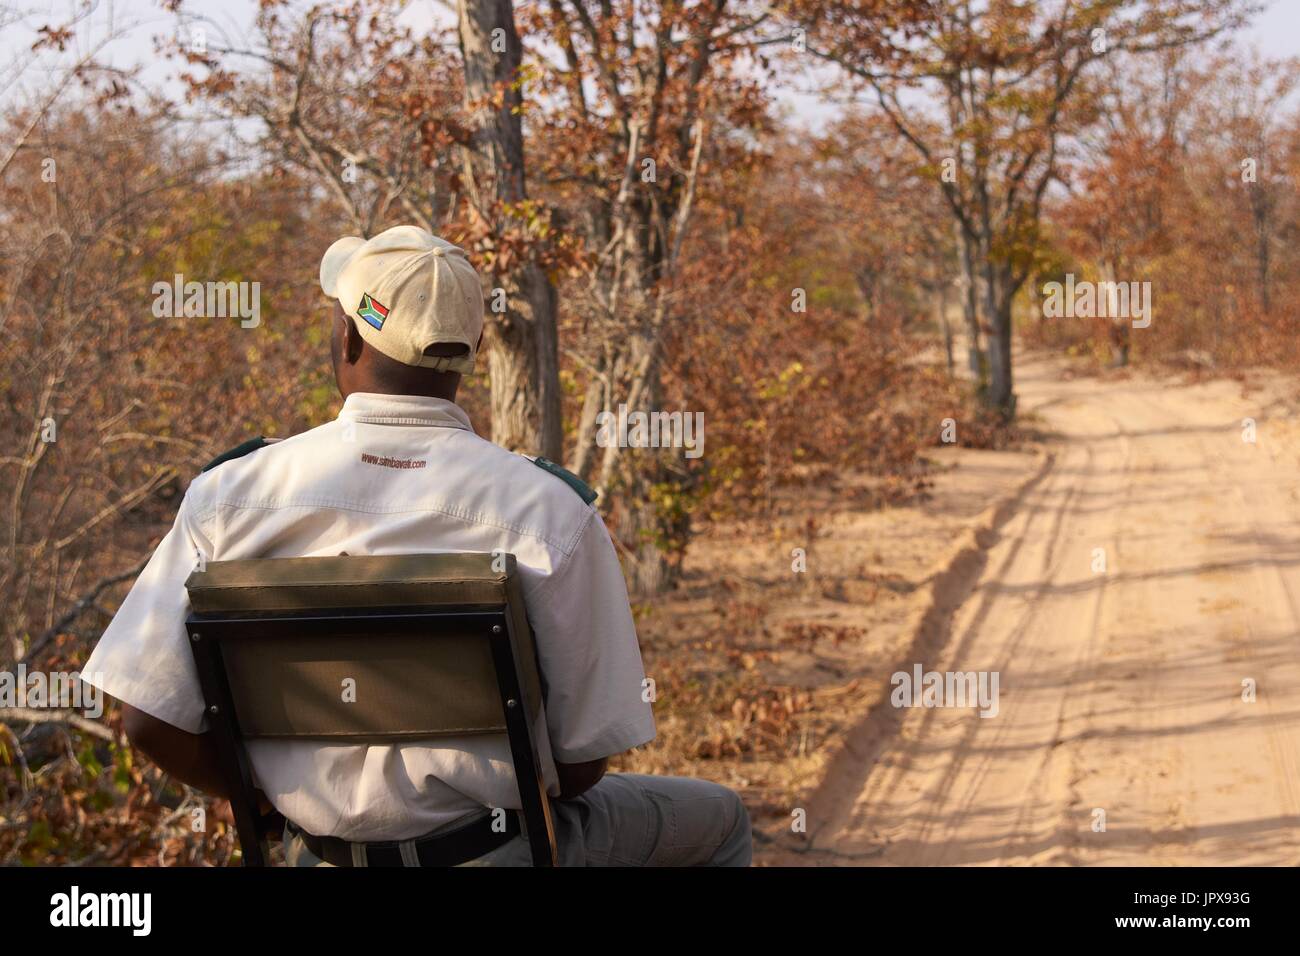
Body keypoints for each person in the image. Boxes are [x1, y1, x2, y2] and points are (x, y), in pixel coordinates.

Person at [82, 225, 751, 867]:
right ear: (471, 347)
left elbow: (148, 722)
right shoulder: (549, 511)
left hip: (319, 851)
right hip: (495, 850)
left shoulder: (230, 496)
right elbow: (580, 766)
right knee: (721, 821)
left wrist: (265, 797)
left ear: (345, 337)